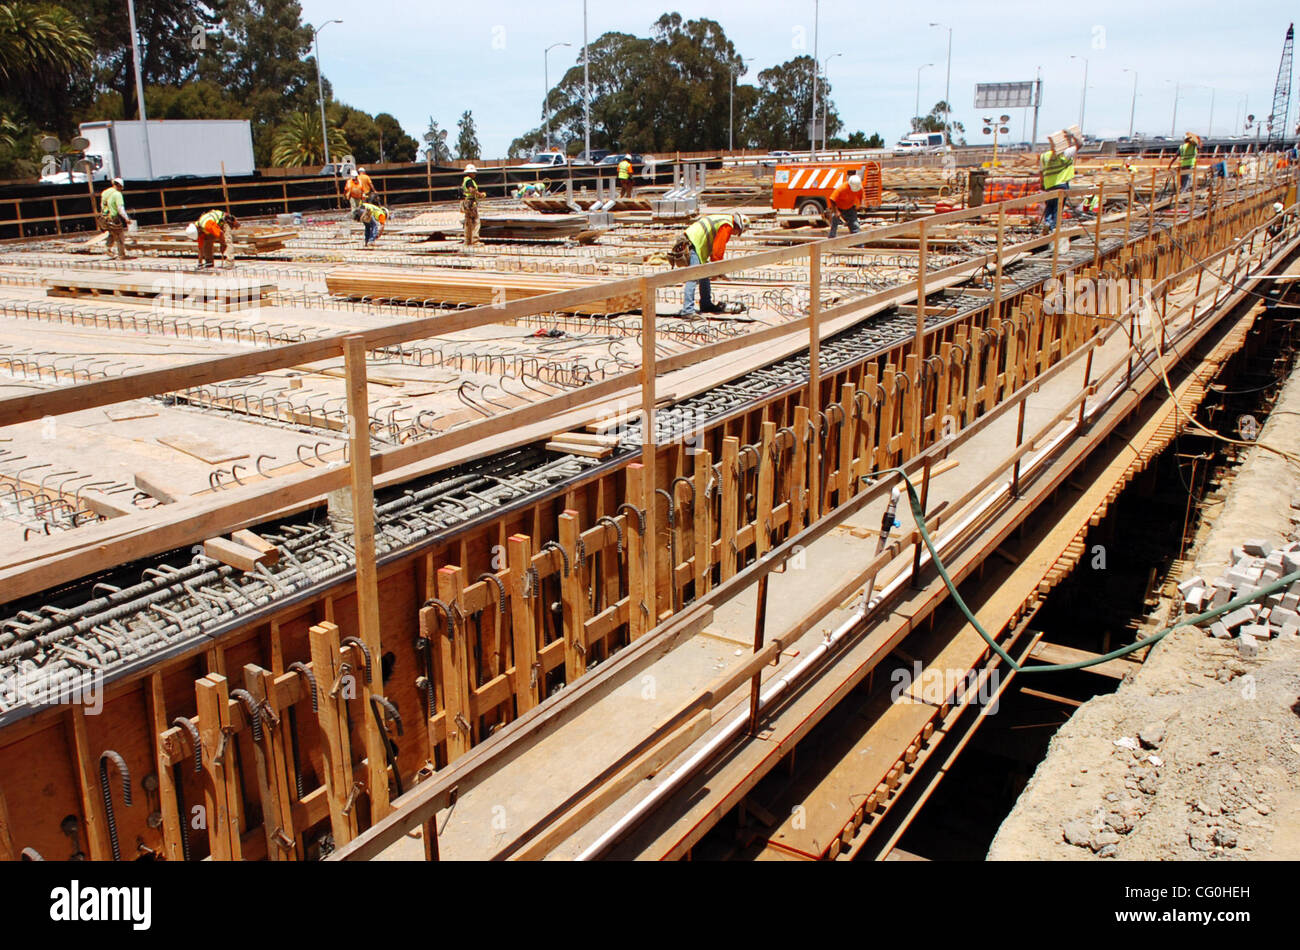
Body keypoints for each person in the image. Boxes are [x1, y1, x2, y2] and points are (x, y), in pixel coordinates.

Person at [673, 211, 749, 316]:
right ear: (738, 226)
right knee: (693, 276)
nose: (735, 234)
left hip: (697, 244)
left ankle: (706, 304)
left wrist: (715, 269)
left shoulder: (725, 220)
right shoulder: (727, 226)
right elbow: (718, 249)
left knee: (705, 274)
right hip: (693, 242)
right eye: (737, 232)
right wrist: (718, 270)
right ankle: (688, 310)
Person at [1039, 130, 1081, 231]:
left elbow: (1041, 172)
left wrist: (1042, 185)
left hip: (1049, 185)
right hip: (1061, 184)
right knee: (1058, 208)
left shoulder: (1044, 156)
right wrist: (1074, 136)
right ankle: (1054, 228)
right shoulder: (1065, 154)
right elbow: (1080, 145)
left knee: (1049, 205)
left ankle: (1047, 222)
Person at [99, 177, 132, 260]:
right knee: (120, 236)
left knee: (112, 233)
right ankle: (121, 255)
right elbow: (120, 208)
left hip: (104, 218)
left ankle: (107, 248)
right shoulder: (117, 194)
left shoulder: (105, 192)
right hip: (113, 218)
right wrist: (126, 218)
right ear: (120, 186)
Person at [827, 173, 864, 238]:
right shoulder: (842, 188)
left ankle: (858, 244)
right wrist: (836, 211)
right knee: (834, 224)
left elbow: (861, 197)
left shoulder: (859, 188)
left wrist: (860, 205)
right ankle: (831, 239)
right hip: (839, 207)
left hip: (850, 207)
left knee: (855, 225)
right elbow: (832, 199)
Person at [461, 163, 485, 247]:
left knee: (468, 222)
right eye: (474, 172)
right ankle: (475, 241)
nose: (475, 174)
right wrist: (480, 194)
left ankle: (467, 241)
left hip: (466, 202)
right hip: (471, 203)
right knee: (475, 221)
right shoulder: (470, 181)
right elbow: (471, 190)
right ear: (470, 173)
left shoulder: (465, 180)